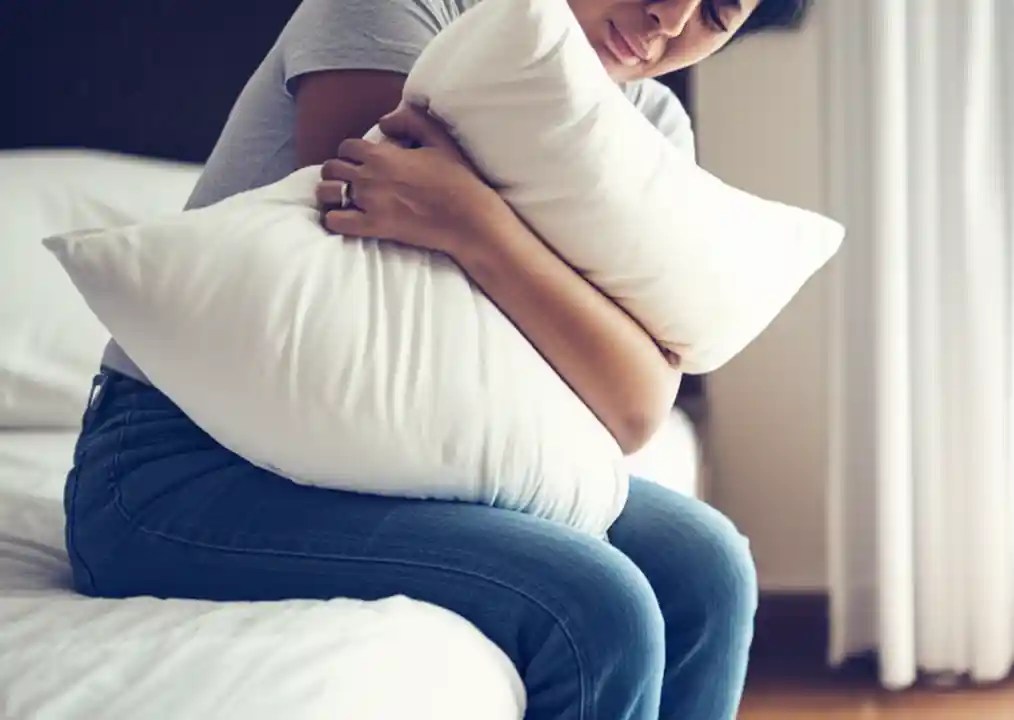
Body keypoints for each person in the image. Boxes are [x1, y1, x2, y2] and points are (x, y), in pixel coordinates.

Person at [67, 0, 811, 718]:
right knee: (594, 606)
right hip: (185, 466)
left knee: (705, 565)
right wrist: (579, 308)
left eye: (717, 11)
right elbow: (366, 264)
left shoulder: (649, 129)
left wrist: (476, 225)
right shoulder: (408, 8)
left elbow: (637, 405)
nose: (671, 17)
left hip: (429, 466)